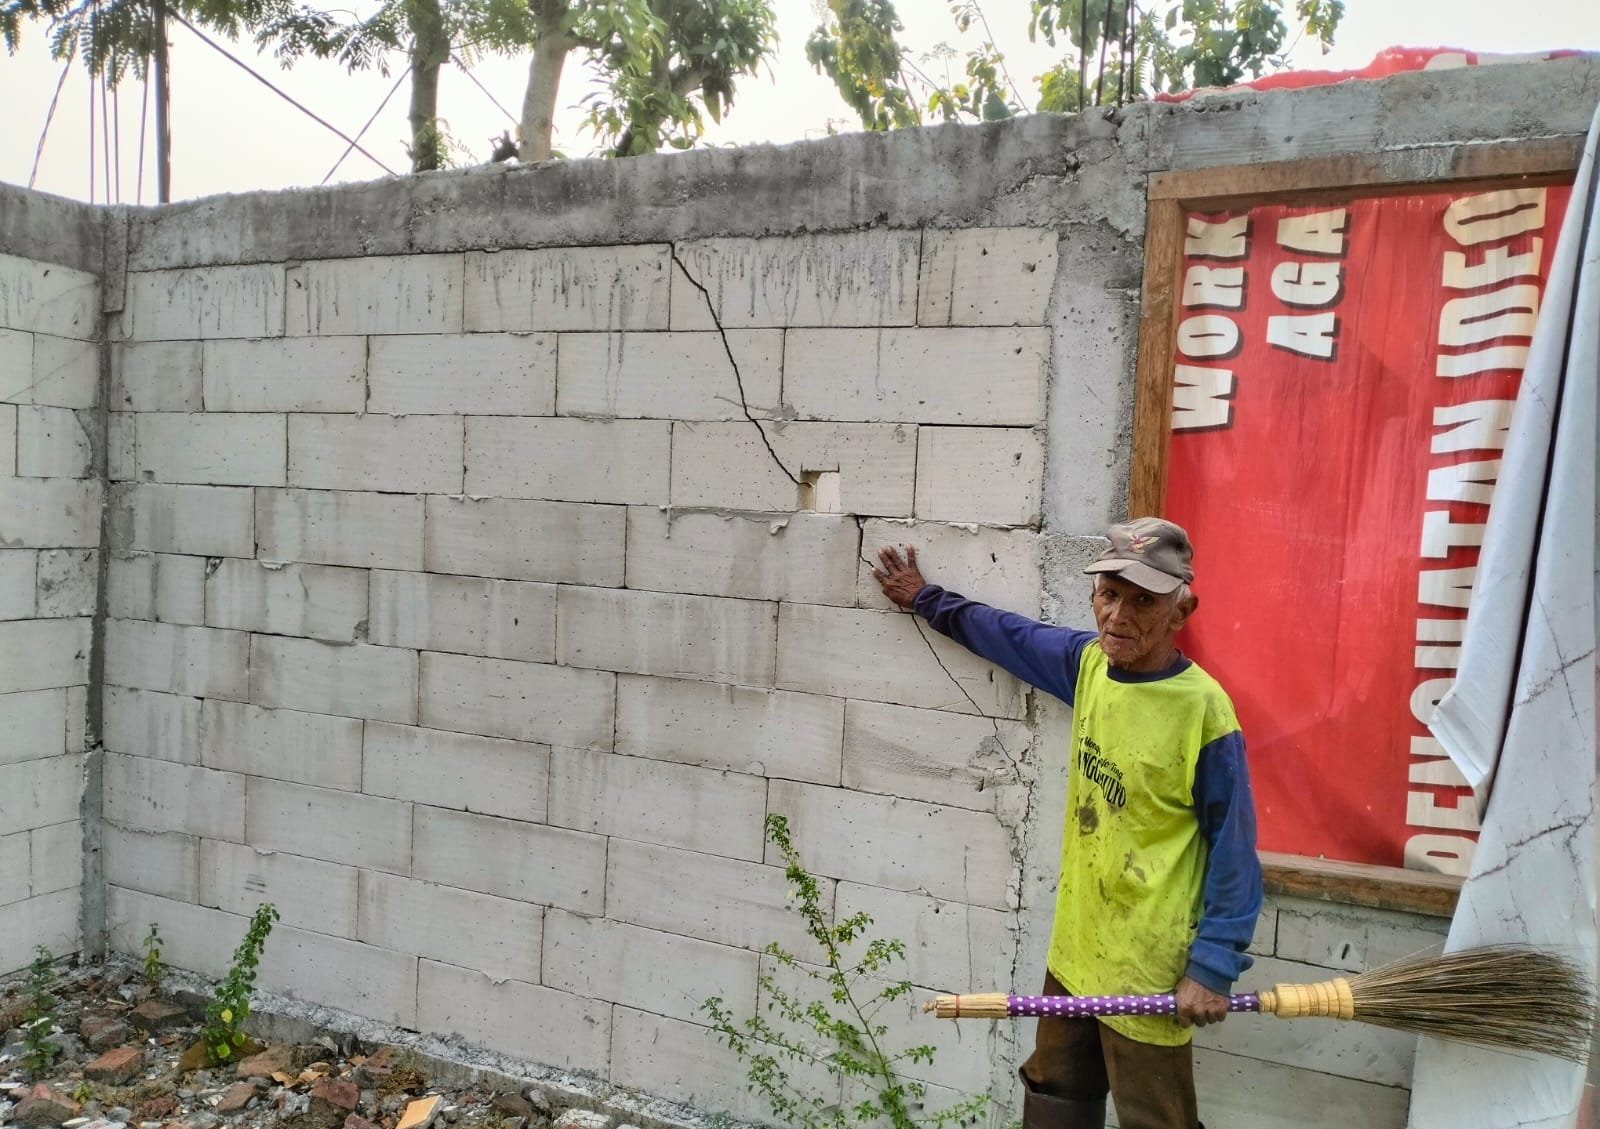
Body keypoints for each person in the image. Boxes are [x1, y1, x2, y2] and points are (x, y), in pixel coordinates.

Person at [872, 517, 1261, 1129]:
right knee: (1054, 1092)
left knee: (1155, 1117)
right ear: (1093, 596)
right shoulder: (1089, 667)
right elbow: (1007, 636)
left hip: (1149, 969)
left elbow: (1235, 850)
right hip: (1076, 951)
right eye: (1110, 594)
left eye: (1143, 601)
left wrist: (1212, 966)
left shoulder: (1204, 712)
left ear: (1180, 610)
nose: (1119, 616)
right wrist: (926, 599)